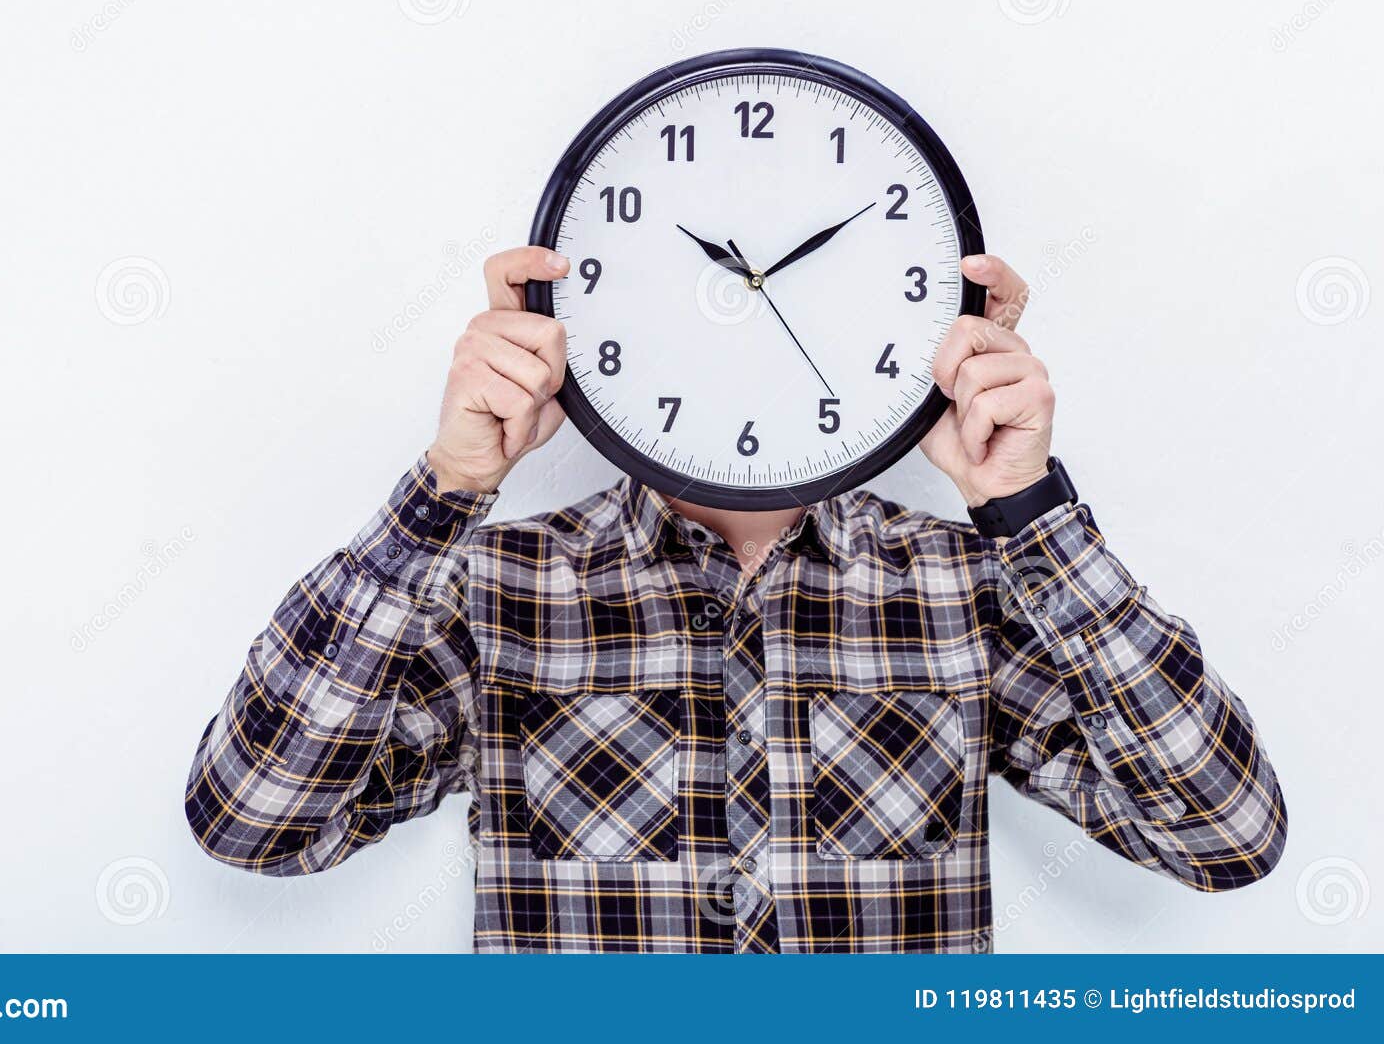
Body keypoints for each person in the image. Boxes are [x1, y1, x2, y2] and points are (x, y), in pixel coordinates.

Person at [185, 247, 1287, 953]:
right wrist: (449, 489)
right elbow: (252, 822)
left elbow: (1224, 835)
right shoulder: (496, 589)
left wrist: (1027, 511)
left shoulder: (966, 588)